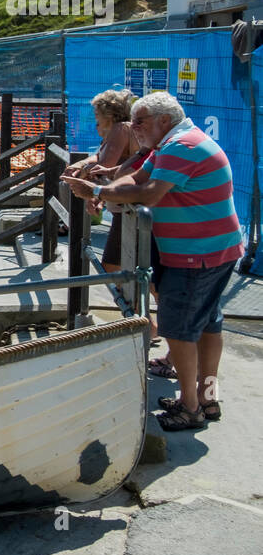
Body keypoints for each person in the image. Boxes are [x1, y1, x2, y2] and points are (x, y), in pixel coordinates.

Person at [62, 92, 243, 432]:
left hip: (197, 254)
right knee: (207, 323)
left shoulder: (180, 147)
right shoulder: (170, 145)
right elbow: (136, 178)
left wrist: (98, 193)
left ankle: (190, 407)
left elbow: (150, 192)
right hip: (216, 249)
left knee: (180, 329)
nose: (133, 127)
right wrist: (108, 188)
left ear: (164, 120)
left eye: (140, 121)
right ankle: (207, 398)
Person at [64, 89, 141, 272]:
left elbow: (105, 165)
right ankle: (135, 299)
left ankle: (133, 301)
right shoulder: (116, 131)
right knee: (125, 268)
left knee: (113, 268)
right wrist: (81, 165)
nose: (95, 115)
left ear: (109, 113)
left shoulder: (120, 129)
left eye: (98, 111)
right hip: (123, 206)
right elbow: (97, 158)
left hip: (127, 207)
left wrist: (91, 189)